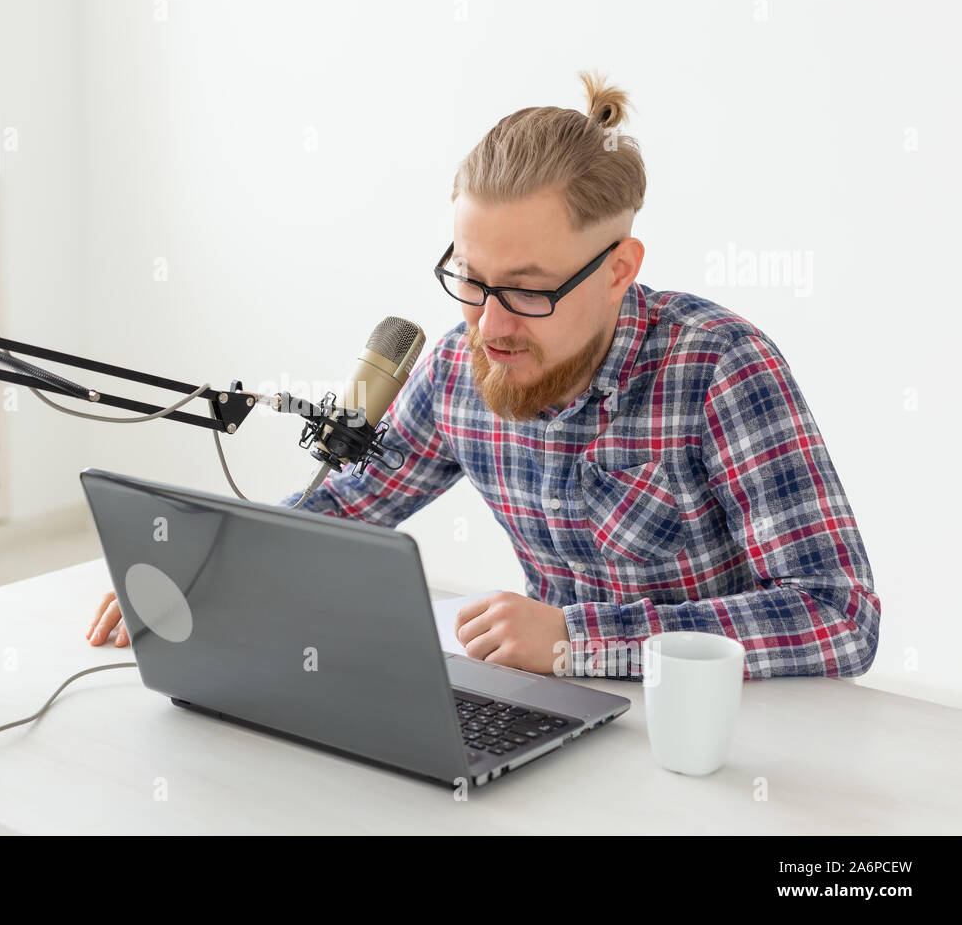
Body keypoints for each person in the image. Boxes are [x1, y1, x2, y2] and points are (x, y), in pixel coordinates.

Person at [89, 69, 880, 682]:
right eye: (470, 278)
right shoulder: (458, 369)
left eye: (530, 290)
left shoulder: (719, 369)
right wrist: (208, 571)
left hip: (731, 738)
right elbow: (346, 505)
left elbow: (839, 617)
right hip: (568, 714)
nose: (489, 324)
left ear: (618, 269)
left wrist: (578, 640)